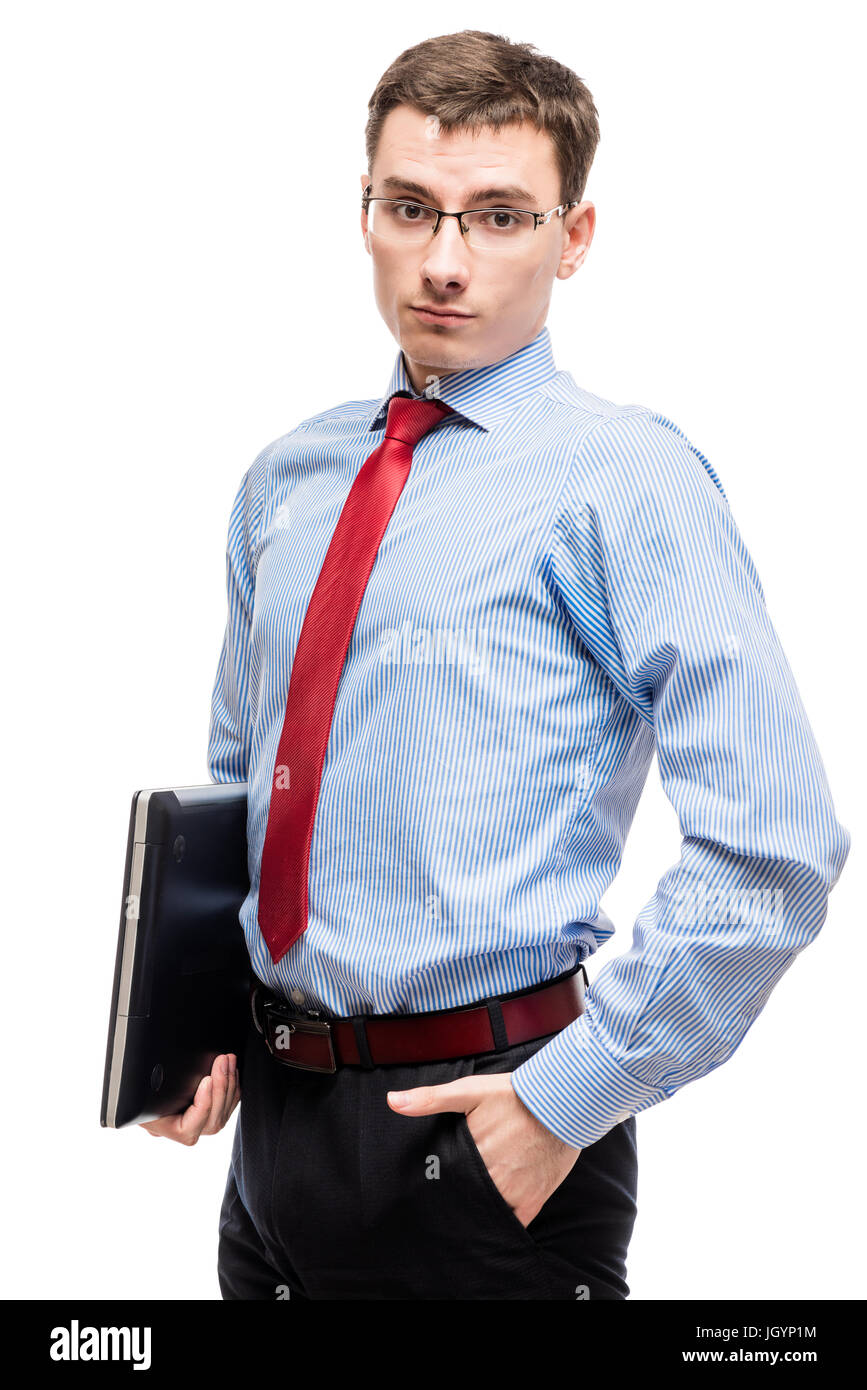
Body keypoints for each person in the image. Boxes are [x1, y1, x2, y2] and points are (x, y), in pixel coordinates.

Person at [141, 29, 850, 1301]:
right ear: (364, 211)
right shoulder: (286, 481)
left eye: (500, 216)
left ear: (574, 237)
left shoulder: (622, 479)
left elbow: (776, 839)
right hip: (273, 1146)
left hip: (484, 1128)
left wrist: (571, 1099)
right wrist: (191, 1020)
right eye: (412, 208)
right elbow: (246, 791)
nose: (447, 260)